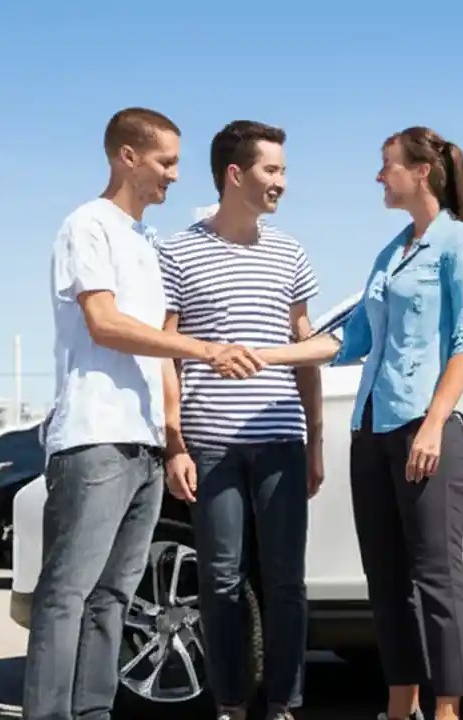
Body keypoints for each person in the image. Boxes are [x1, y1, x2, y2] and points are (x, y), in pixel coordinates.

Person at [24, 107, 262, 720]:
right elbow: (104, 324)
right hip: (95, 439)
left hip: (146, 445)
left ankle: (93, 713)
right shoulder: (88, 225)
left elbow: (158, 350)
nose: (175, 176)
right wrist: (203, 349)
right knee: (66, 595)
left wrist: (174, 441)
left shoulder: (146, 243)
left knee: (112, 597)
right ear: (127, 157)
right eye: (166, 161)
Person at [255, 126, 463, 720]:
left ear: (421, 172)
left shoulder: (461, 245)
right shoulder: (391, 252)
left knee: (438, 576)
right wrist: (267, 354)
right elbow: (349, 339)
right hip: (372, 429)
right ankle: (397, 705)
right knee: (385, 581)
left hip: (425, 427)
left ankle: (447, 711)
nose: (379, 176)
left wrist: (436, 424)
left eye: (387, 166)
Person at [157, 120, 323, 720]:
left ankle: (283, 705)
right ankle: (229, 706)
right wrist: (174, 443)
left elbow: (307, 350)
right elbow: (166, 354)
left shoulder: (290, 252)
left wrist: (316, 442)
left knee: (286, 583)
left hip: (281, 439)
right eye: (271, 170)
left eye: (282, 170)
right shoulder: (176, 251)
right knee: (221, 581)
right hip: (211, 445)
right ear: (236, 174)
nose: (282, 181)